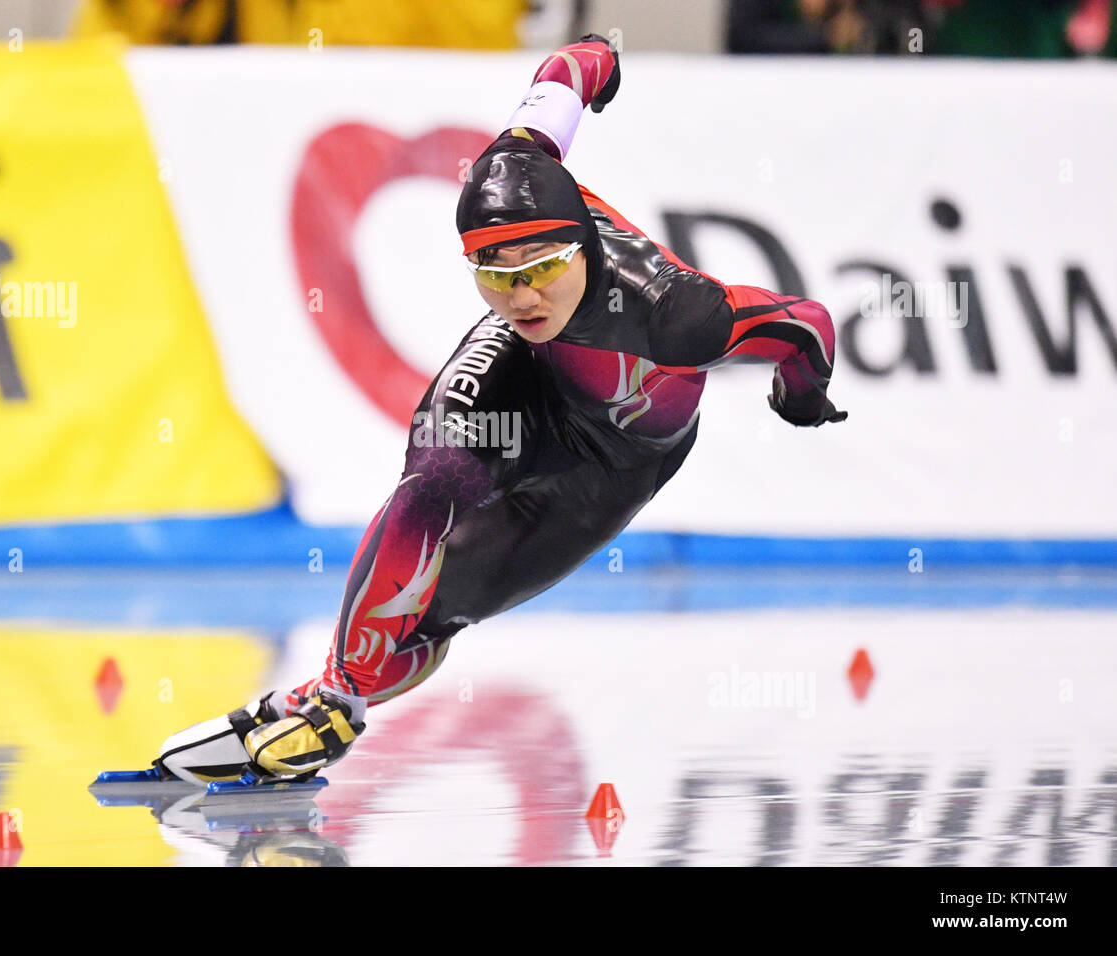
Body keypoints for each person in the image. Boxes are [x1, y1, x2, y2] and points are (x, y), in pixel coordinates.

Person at [155, 34, 847, 785]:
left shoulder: (679, 318)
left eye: (544, 269)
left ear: (580, 245)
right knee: (433, 485)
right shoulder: (514, 166)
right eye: (494, 273)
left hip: (617, 458)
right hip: (527, 370)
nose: (523, 295)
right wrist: (596, 63)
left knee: (445, 608)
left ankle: (325, 693)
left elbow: (804, 324)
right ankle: (335, 699)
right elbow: (567, 72)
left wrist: (801, 397)